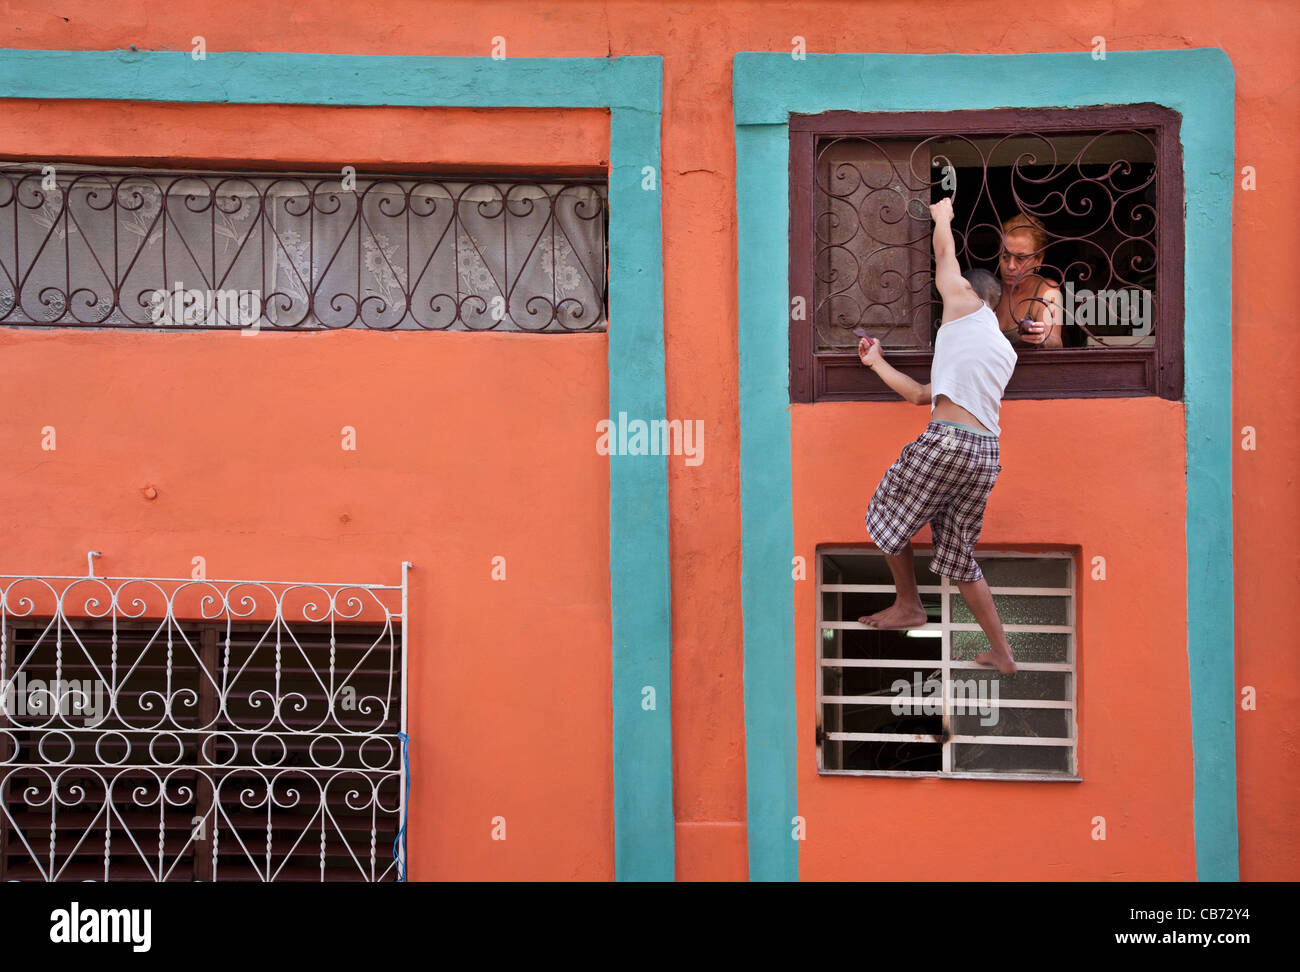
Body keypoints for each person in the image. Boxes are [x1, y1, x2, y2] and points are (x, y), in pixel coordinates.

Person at [856, 197, 1017, 673]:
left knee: (885, 512)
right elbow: (923, 393)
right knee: (960, 557)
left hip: (949, 443)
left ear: (971, 293)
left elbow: (944, 258)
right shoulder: (1001, 352)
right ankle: (1003, 654)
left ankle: (908, 603)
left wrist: (943, 217)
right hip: (985, 453)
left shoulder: (968, 305)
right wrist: (878, 362)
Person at [995, 211, 1063, 348]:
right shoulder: (991, 290)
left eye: (1020, 258)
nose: (1011, 266)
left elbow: (1055, 341)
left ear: (1038, 260)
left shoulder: (1047, 290)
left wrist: (1042, 337)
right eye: (1005, 256)